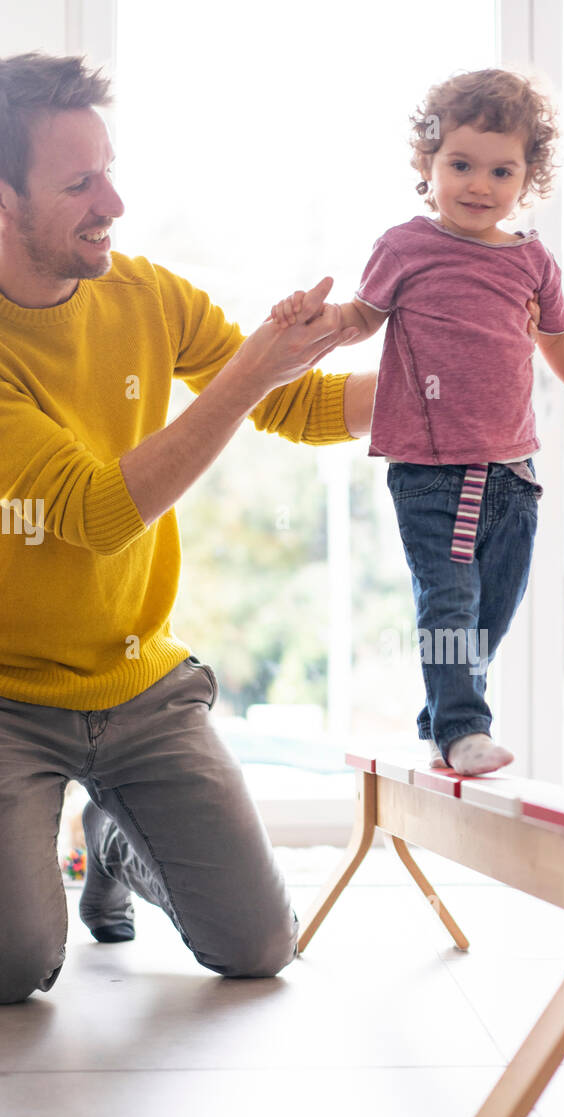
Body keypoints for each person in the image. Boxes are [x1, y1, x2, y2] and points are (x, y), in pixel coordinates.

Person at [0, 51, 374, 1004]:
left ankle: (117, 841)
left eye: (110, 169)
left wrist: (448, 388)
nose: (113, 202)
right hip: (9, 699)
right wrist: (256, 367)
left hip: (139, 686)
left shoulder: (150, 296)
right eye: (79, 182)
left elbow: (303, 407)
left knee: (258, 948)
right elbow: (94, 514)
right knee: (14, 968)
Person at [273, 68, 564, 775]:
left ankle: (441, 712)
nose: (477, 184)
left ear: (527, 178)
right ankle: (463, 726)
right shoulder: (405, 247)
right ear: (426, 166)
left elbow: (557, 337)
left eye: (500, 170)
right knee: (449, 598)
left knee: (493, 603)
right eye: (459, 165)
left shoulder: (531, 261)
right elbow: (361, 318)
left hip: (512, 467)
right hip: (430, 468)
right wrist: (320, 323)